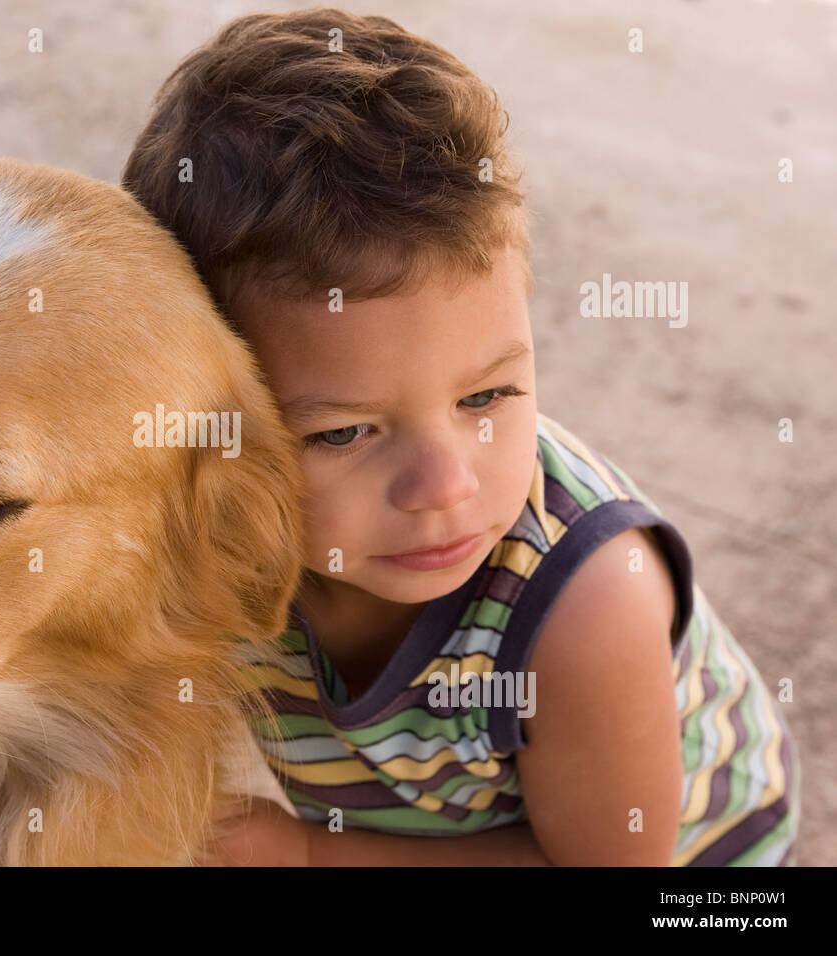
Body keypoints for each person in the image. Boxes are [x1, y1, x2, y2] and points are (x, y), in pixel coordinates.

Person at [122, 8, 799, 866]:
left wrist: (304, 855)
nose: (445, 486)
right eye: (344, 433)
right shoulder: (192, 513)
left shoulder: (587, 607)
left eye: (488, 394)